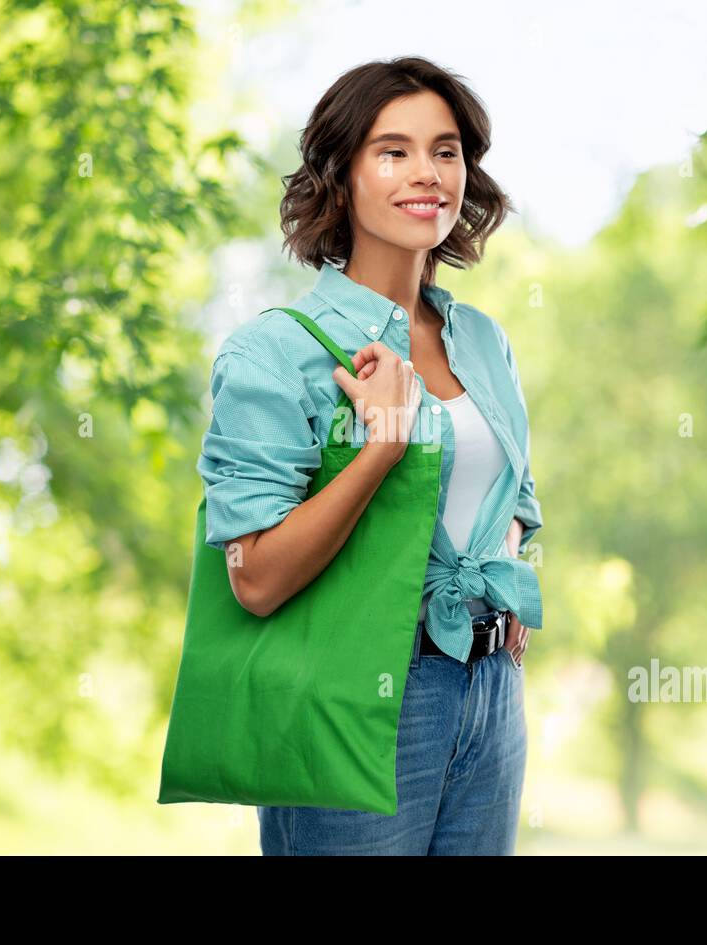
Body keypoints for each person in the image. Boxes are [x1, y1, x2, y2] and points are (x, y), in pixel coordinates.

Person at [197, 56, 544, 854]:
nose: (427, 173)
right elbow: (253, 578)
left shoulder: (483, 340)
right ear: (339, 176)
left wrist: (509, 570)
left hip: (489, 694)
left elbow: (516, 500)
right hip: (354, 692)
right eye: (394, 151)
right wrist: (380, 448)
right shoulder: (275, 354)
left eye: (446, 150)